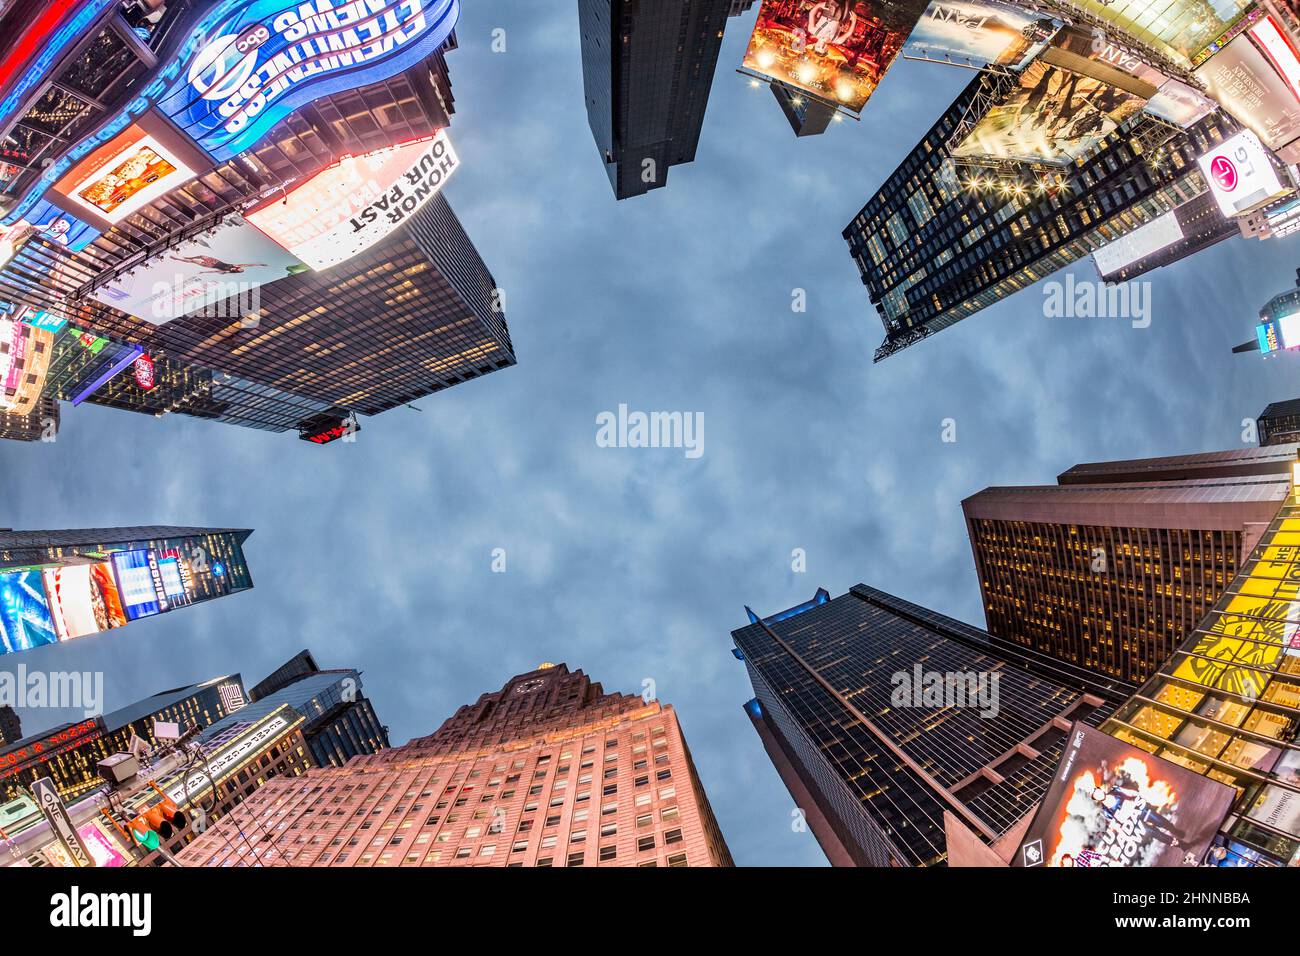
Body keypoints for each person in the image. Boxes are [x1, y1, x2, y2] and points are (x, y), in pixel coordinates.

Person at [169, 254, 265, 275]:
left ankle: (177, 259)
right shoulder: (235, 265)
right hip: (215, 261)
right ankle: (187, 257)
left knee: (194, 261)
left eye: (240, 270)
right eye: (241, 268)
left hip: (211, 265)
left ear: (237, 271)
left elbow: (215, 271)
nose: (240, 268)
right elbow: (248, 265)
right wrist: (259, 265)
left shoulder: (228, 271)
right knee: (201, 255)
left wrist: (203, 272)